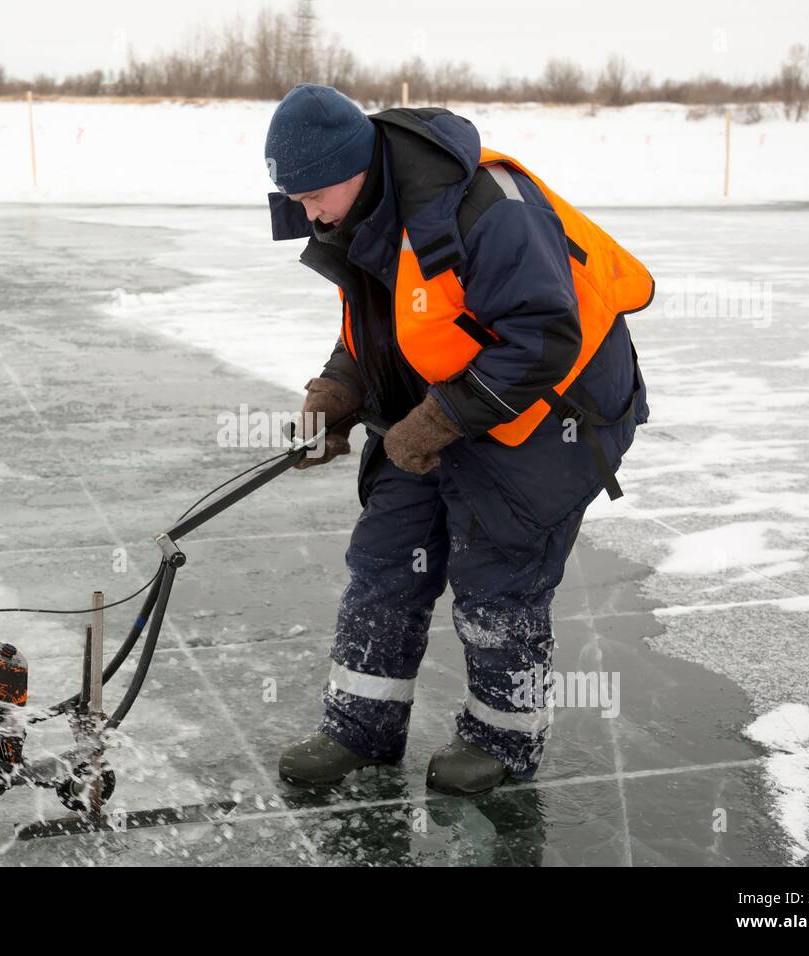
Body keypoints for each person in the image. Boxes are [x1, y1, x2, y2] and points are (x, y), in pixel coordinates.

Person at [265, 83, 653, 795]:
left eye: (314, 193)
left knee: (497, 581)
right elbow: (394, 330)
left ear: (359, 166)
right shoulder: (363, 218)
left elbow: (542, 337)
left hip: (552, 411)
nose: (307, 212)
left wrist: (440, 421)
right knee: (385, 560)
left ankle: (502, 741)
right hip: (450, 400)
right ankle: (361, 728)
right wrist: (337, 392)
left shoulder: (486, 209)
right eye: (293, 198)